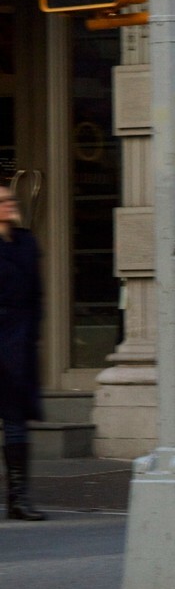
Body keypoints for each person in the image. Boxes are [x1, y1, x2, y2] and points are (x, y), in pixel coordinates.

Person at [0, 182, 45, 521]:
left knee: (16, 423)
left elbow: (36, 297)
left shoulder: (27, 243)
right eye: (1, 202)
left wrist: (32, 338)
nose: (8, 205)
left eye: (9, 199)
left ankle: (18, 498)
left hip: (18, 348)